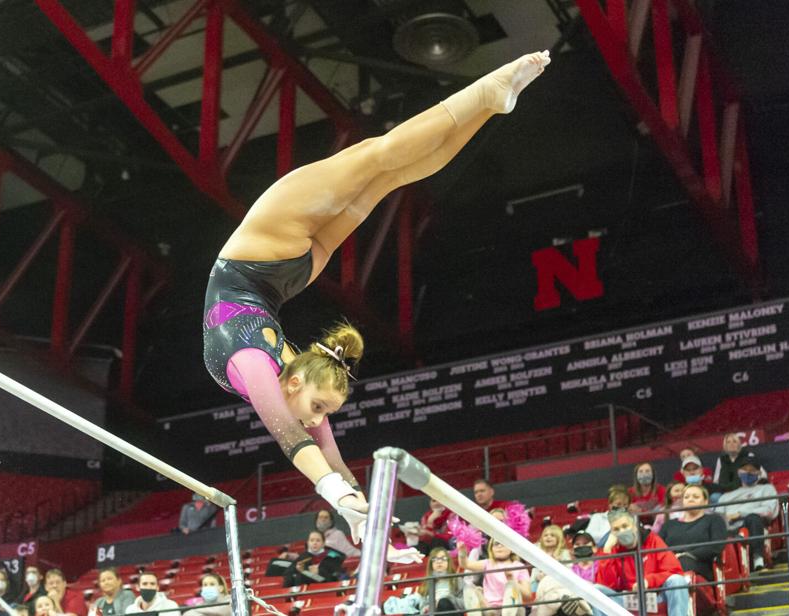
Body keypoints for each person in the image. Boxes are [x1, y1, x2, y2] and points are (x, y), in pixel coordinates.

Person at [202, 51, 552, 539]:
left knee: (380, 158)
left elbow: (291, 439)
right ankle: (490, 104)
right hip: (288, 273)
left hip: (260, 248)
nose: (319, 419)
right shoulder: (293, 373)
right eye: (325, 409)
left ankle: (486, 95)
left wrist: (348, 510)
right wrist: (370, 522)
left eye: (320, 409)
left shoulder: (255, 367)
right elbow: (329, 457)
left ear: (298, 388)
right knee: (389, 175)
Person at [592, 510, 689, 616]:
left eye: (625, 526)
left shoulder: (652, 540)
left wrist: (648, 581)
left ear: (634, 526)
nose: (622, 531)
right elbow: (607, 585)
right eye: (616, 529)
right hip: (630, 600)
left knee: (677, 581)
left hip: (656, 598)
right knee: (597, 590)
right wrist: (607, 552)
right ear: (612, 533)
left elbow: (675, 571)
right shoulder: (613, 549)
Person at [716, 455, 778, 571]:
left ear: (759, 473)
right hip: (729, 529)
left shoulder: (767, 489)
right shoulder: (726, 496)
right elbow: (717, 517)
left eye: (752, 470)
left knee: (753, 518)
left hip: (753, 525)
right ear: (739, 472)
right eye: (745, 470)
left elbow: (769, 511)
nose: (748, 473)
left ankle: (758, 560)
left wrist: (740, 513)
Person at [659, 484, 727, 581]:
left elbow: (716, 546)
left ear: (705, 501)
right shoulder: (669, 525)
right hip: (669, 564)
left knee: (683, 562)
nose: (691, 499)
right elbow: (657, 548)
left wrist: (687, 554)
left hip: (699, 564)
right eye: (686, 497)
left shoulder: (714, 520)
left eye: (696, 497)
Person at [459, 539, 531, 616]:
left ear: (512, 549)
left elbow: (527, 596)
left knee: (511, 586)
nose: (499, 546)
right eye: (496, 544)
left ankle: (507, 612)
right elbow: (465, 564)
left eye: (503, 543)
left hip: (514, 609)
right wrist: (462, 551)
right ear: (491, 549)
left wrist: (511, 579)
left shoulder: (520, 566)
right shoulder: (488, 563)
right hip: (490, 608)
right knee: (472, 590)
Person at [531, 532, 594, 616]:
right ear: (573, 549)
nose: (581, 546)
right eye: (577, 544)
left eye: (585, 543)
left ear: (595, 547)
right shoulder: (572, 569)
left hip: (592, 599)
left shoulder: (602, 565)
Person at [282, 530, 347, 587]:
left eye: (318, 540)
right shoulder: (303, 557)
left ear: (323, 543)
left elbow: (336, 576)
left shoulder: (332, 556)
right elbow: (287, 574)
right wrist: (297, 569)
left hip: (326, 586)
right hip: (305, 588)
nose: (314, 543)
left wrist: (319, 571)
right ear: (308, 543)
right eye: (312, 540)